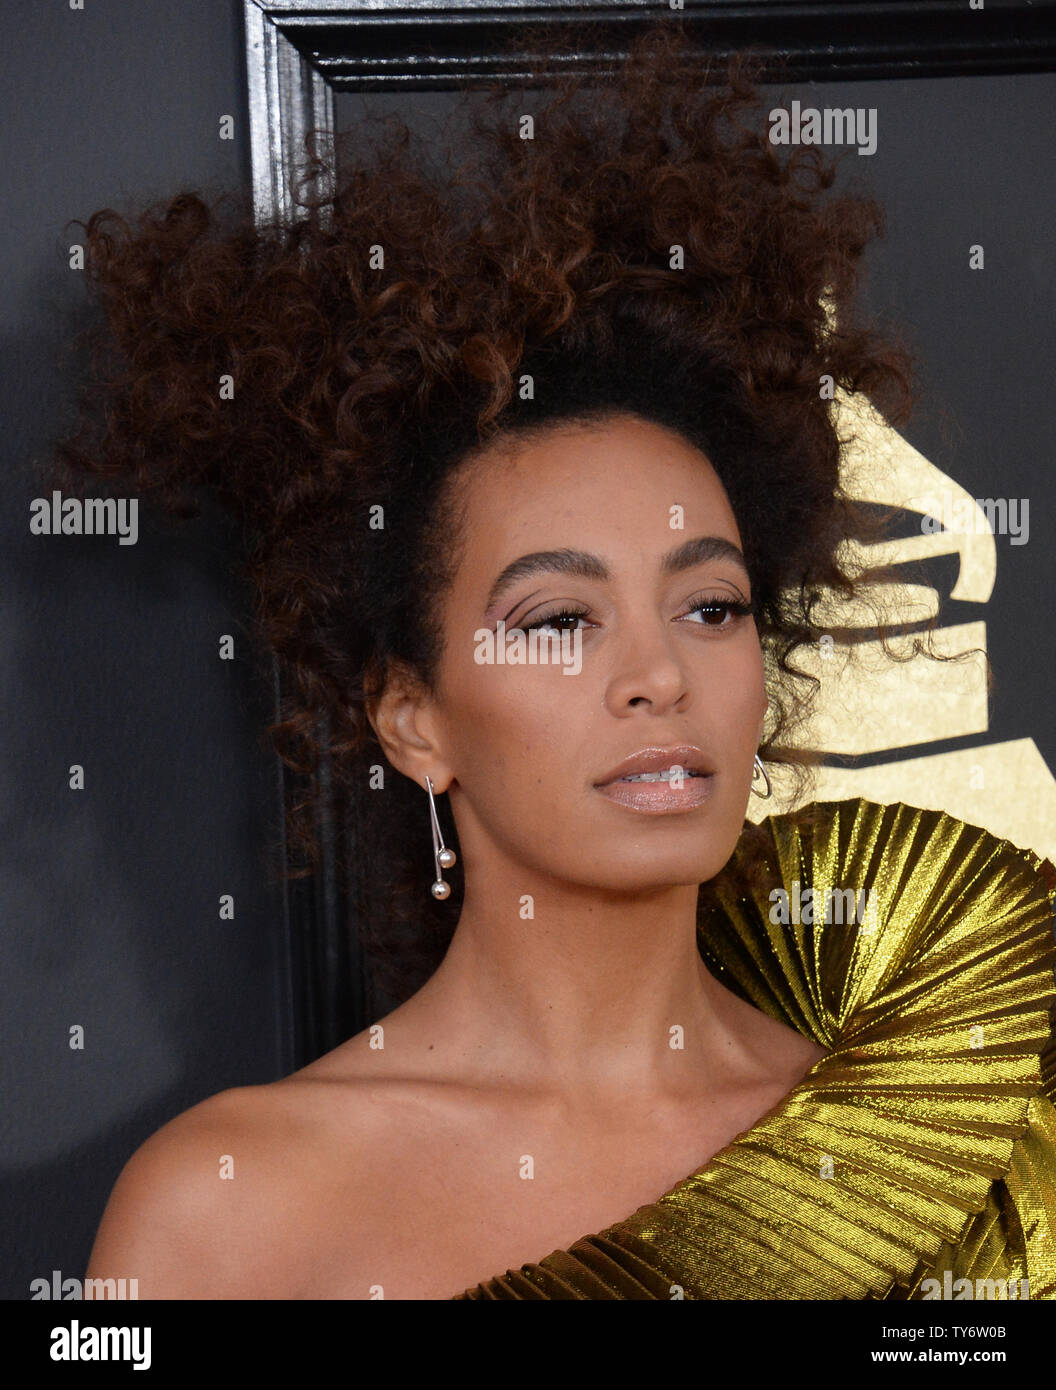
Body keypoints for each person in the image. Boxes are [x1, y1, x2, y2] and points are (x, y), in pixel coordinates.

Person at [56, 24, 1054, 1299]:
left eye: (709, 607)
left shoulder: (956, 1141)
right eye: (559, 622)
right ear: (411, 716)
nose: (659, 676)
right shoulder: (230, 1208)